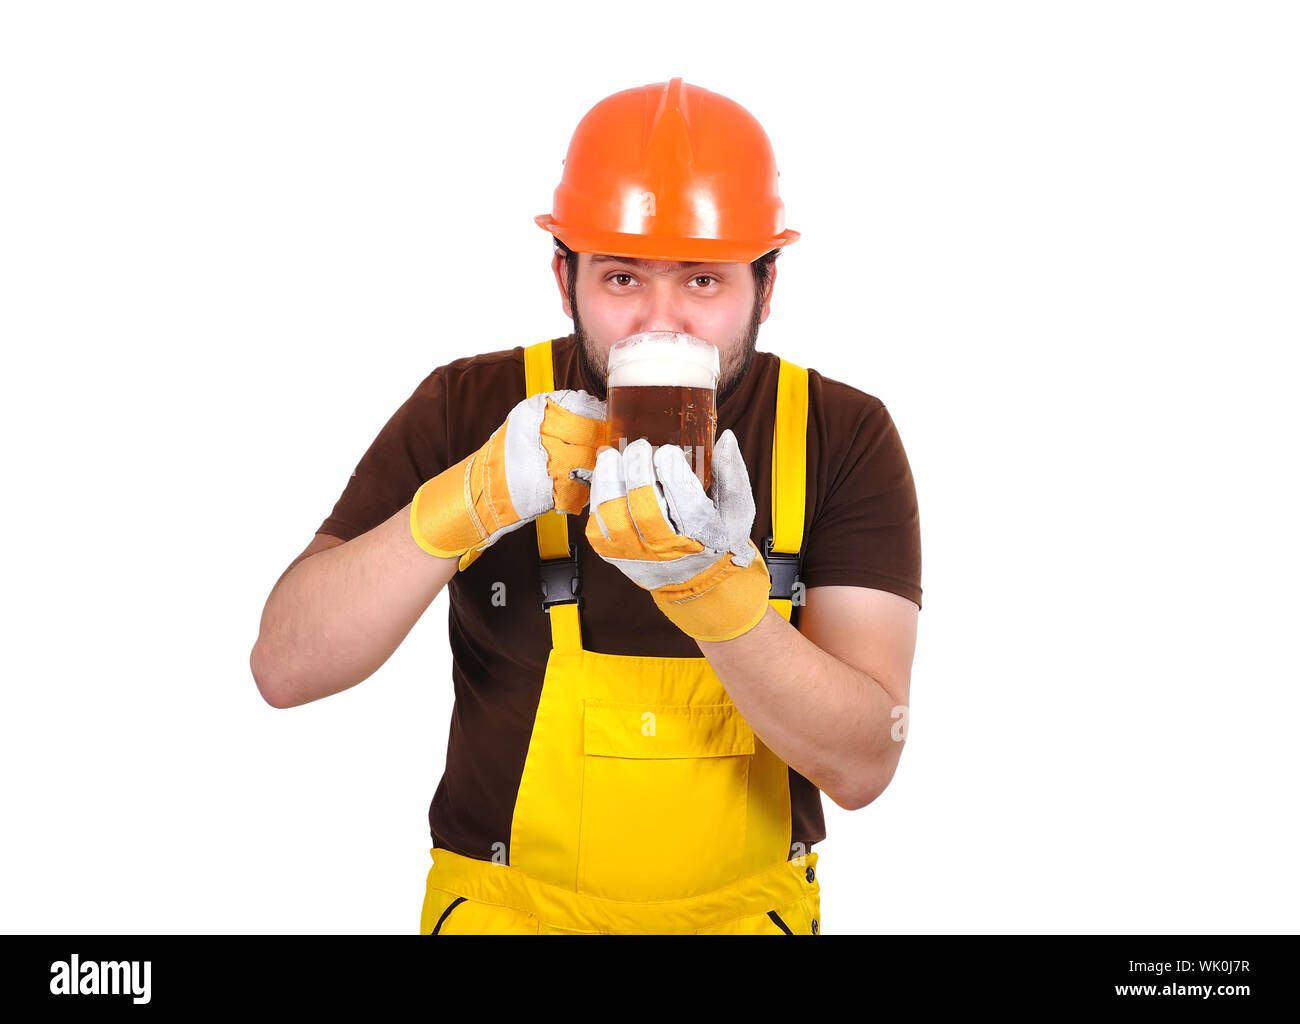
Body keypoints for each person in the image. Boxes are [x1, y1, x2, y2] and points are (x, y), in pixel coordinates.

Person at [250, 78, 922, 935]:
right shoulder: (471, 404)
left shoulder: (838, 433)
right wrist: (468, 501)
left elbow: (866, 762)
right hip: (506, 917)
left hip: (746, 919)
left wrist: (717, 600)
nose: (659, 324)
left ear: (767, 284)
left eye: (705, 282)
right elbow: (284, 666)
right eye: (621, 276)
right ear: (563, 275)